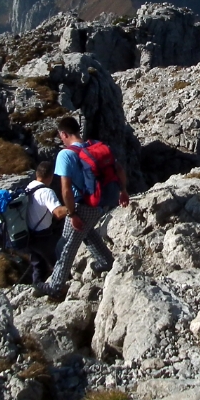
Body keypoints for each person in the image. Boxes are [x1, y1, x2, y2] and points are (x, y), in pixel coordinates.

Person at [35, 115, 130, 298]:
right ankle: (106, 261)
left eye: (60, 135)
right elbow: (118, 170)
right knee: (88, 233)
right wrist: (123, 191)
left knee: (67, 246)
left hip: (82, 206)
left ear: (63, 134)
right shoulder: (95, 146)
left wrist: (71, 214)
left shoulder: (66, 154)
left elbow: (65, 189)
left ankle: (55, 286)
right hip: (100, 203)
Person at [22, 160, 67, 284]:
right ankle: (59, 290)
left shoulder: (29, 187)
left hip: (30, 237)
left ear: (37, 174)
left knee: (39, 267)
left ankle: (39, 287)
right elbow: (57, 213)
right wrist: (72, 208)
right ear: (51, 176)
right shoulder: (47, 192)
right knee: (60, 263)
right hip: (44, 237)